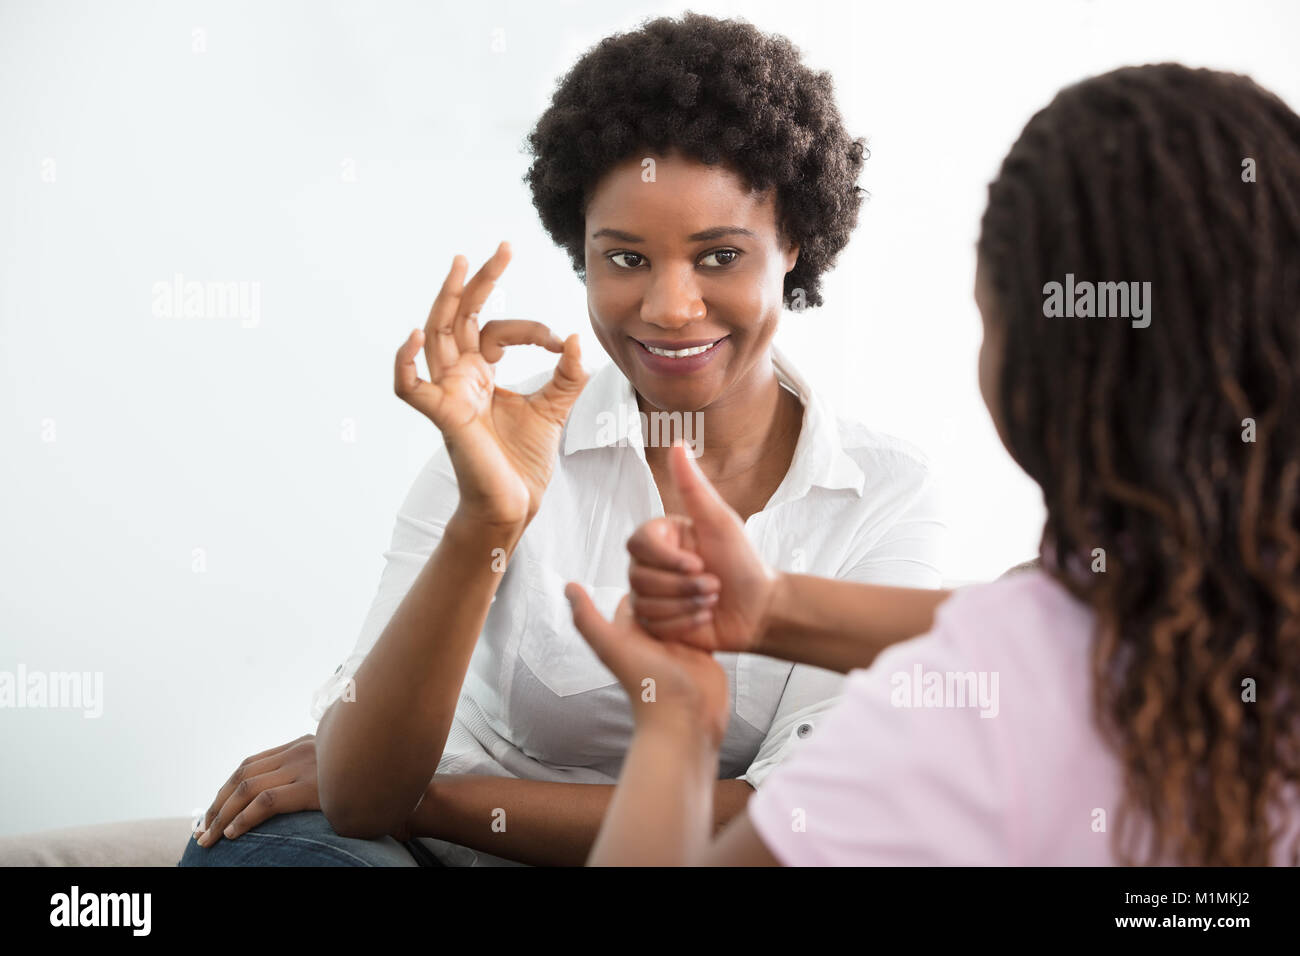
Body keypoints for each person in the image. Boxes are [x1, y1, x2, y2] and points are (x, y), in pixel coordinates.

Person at [180, 12, 945, 868]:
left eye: (719, 257)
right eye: (625, 259)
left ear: (793, 243)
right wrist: (489, 522)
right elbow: (357, 795)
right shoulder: (509, 443)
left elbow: (804, 822)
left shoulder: (882, 495)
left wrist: (431, 798)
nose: (669, 307)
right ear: (582, 255)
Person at [569, 63, 1300, 866]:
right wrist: (772, 609)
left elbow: (1029, 645)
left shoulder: (965, 724)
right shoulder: (1228, 611)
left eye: (987, 320)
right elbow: (1074, 621)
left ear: (1035, 368)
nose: (672, 306)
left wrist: (675, 726)